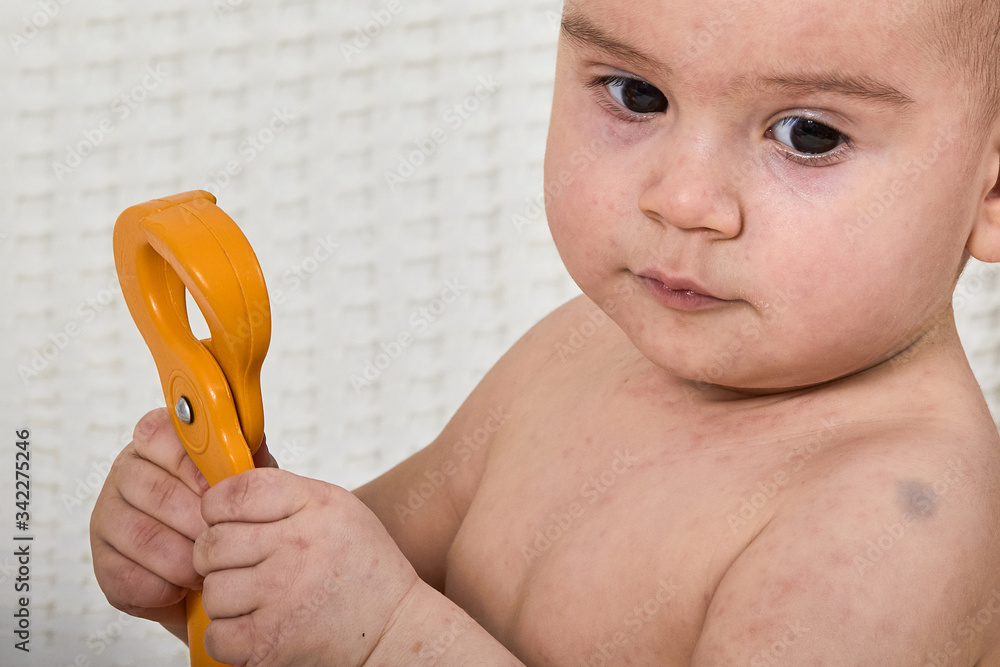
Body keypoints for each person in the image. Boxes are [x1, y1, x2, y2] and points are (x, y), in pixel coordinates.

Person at [90, 0, 1000, 663]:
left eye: (806, 134)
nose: (681, 199)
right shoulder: (583, 346)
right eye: (637, 94)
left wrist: (384, 637)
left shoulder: (903, 516)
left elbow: (373, 617)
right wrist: (219, 549)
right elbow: (346, 578)